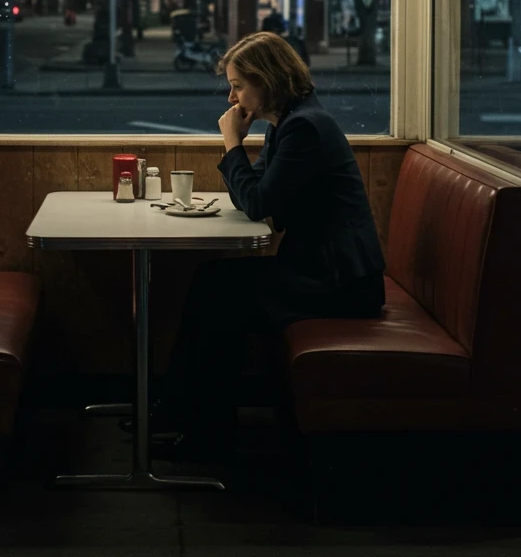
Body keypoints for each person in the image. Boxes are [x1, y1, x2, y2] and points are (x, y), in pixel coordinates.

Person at [145, 31, 386, 460]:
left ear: (267, 80)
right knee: (211, 280)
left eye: (238, 85)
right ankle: (180, 413)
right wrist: (243, 155)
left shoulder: (304, 129)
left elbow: (257, 205)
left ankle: (205, 433)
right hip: (322, 270)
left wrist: (233, 141)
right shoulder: (289, 123)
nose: (231, 95)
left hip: (343, 282)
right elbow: (256, 195)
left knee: (222, 298)